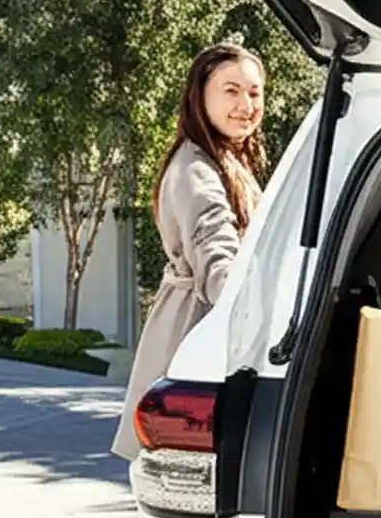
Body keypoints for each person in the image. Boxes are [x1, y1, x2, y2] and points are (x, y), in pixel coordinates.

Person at [110, 43, 267, 460]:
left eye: (254, 92)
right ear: (200, 95)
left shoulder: (224, 160)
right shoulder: (196, 169)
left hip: (201, 324)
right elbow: (217, 257)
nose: (245, 105)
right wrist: (251, 315)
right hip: (196, 330)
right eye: (231, 91)